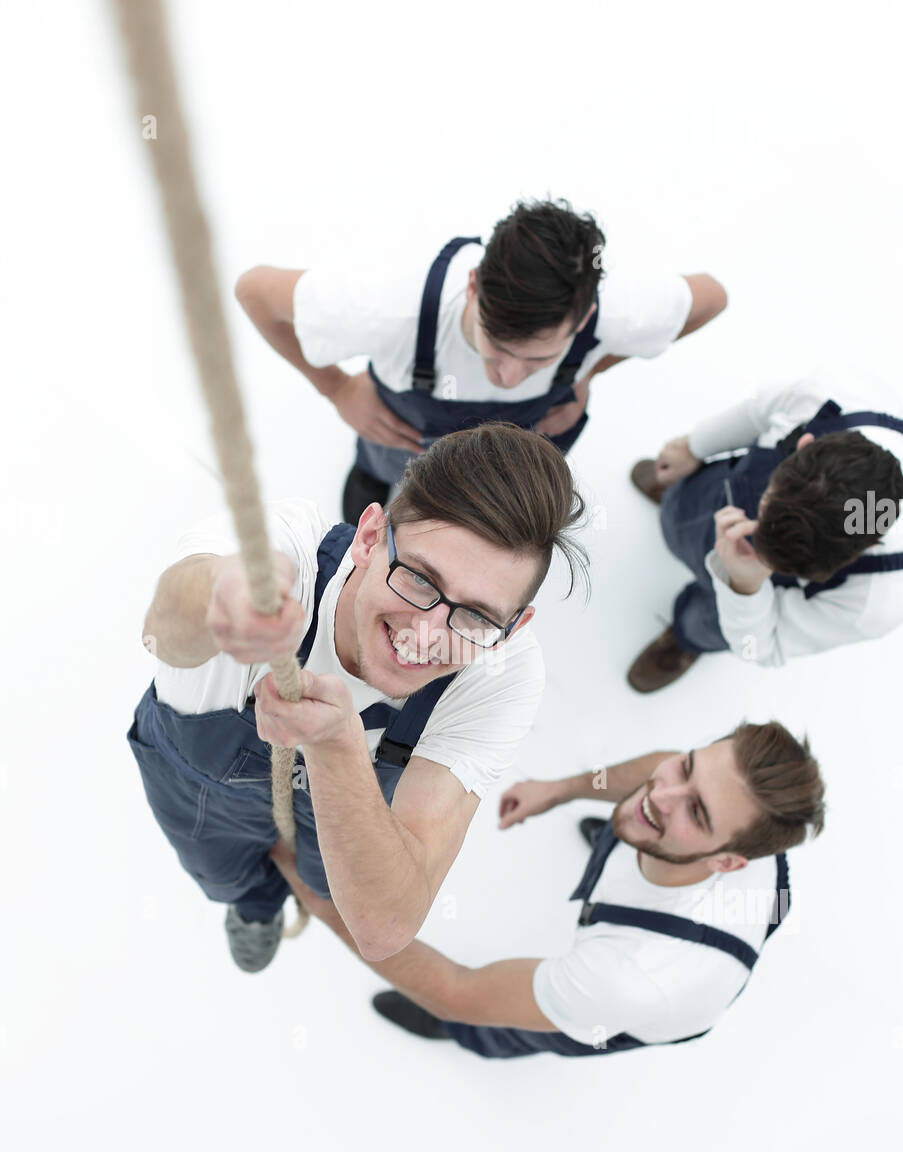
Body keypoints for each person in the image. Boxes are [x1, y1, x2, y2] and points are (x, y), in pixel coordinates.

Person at [129, 423, 586, 972]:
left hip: (341, 816)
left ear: (512, 627)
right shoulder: (286, 553)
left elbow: (385, 924)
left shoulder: (501, 673)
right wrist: (222, 597)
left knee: (332, 882)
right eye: (418, 578)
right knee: (221, 869)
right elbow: (165, 630)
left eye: (476, 616)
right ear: (370, 536)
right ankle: (251, 906)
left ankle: (309, 888)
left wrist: (337, 750)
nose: (426, 633)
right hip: (201, 793)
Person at [268, 722, 825, 1059]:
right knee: (650, 816)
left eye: (697, 812)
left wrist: (321, 898)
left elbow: (457, 988)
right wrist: (563, 791)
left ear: (729, 861)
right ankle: (639, 850)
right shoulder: (734, 800)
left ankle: (466, 1038)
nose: (661, 792)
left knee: (509, 1026)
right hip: (671, 903)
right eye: (687, 766)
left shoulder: (624, 981)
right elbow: (660, 772)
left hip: (627, 999)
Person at [234, 199, 728, 523]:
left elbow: (711, 298)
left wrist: (586, 372)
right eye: (497, 348)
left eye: (537, 358)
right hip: (400, 438)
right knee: (372, 487)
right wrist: (337, 388)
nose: (510, 377)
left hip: (521, 446)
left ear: (585, 320)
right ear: (472, 288)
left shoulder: (620, 310)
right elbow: (254, 290)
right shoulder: (390, 306)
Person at [625, 373, 903, 691]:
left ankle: (684, 639)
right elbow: (755, 414)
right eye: (768, 506)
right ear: (803, 445)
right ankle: (674, 502)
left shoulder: (877, 601)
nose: (749, 542)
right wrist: (692, 447)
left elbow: (766, 644)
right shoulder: (827, 396)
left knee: (704, 624)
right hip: (713, 495)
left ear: (867, 548)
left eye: (782, 560)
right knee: (680, 508)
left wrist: (744, 588)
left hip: (746, 607)